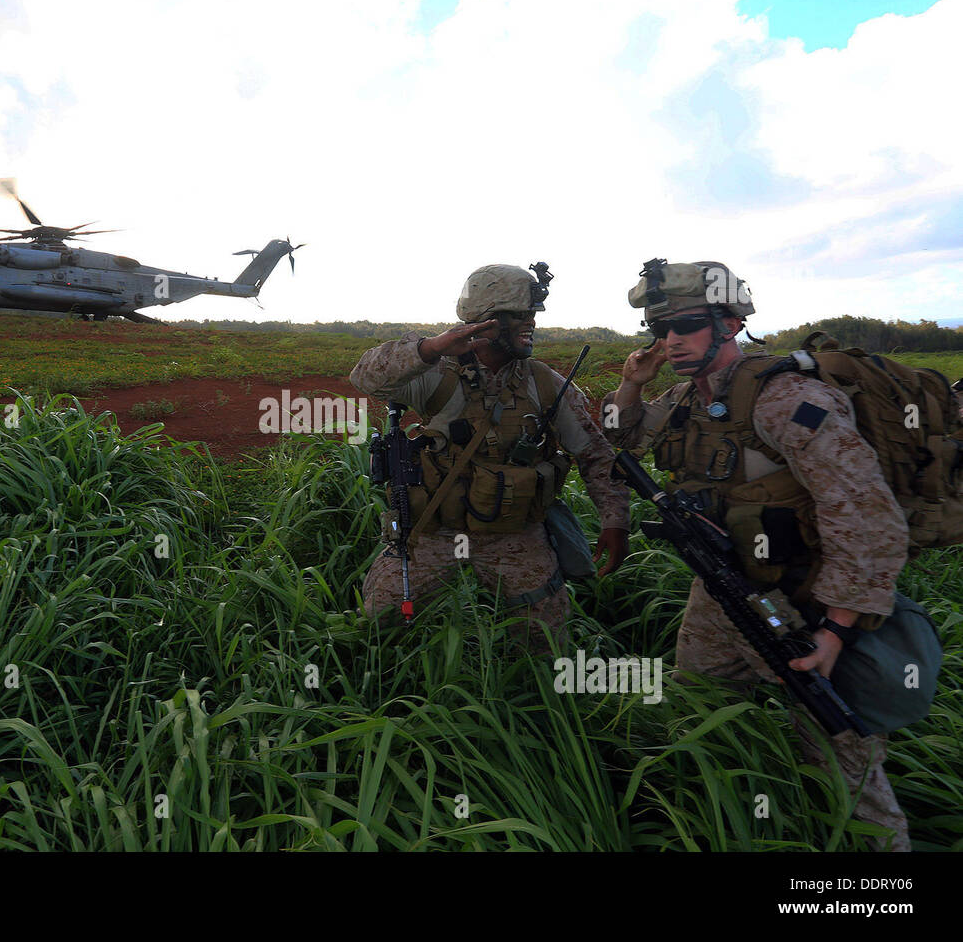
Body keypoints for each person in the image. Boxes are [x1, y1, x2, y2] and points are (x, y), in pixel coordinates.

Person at [602, 258, 912, 851]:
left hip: (808, 604)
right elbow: (620, 433)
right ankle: (717, 824)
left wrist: (837, 631)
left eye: (686, 325)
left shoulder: (785, 398)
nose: (670, 340)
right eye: (658, 329)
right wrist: (633, 382)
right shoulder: (683, 397)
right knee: (699, 718)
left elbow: (869, 516)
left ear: (730, 323)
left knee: (842, 763)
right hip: (722, 592)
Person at [350, 263, 630, 652]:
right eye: (518, 316)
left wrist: (615, 520)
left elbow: (596, 455)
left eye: (531, 314)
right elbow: (365, 376)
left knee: (544, 639)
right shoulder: (436, 375)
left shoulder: (546, 384)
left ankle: (541, 702)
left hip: (514, 533)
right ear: (484, 323)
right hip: (436, 529)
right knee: (382, 619)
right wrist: (431, 348)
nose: (530, 323)